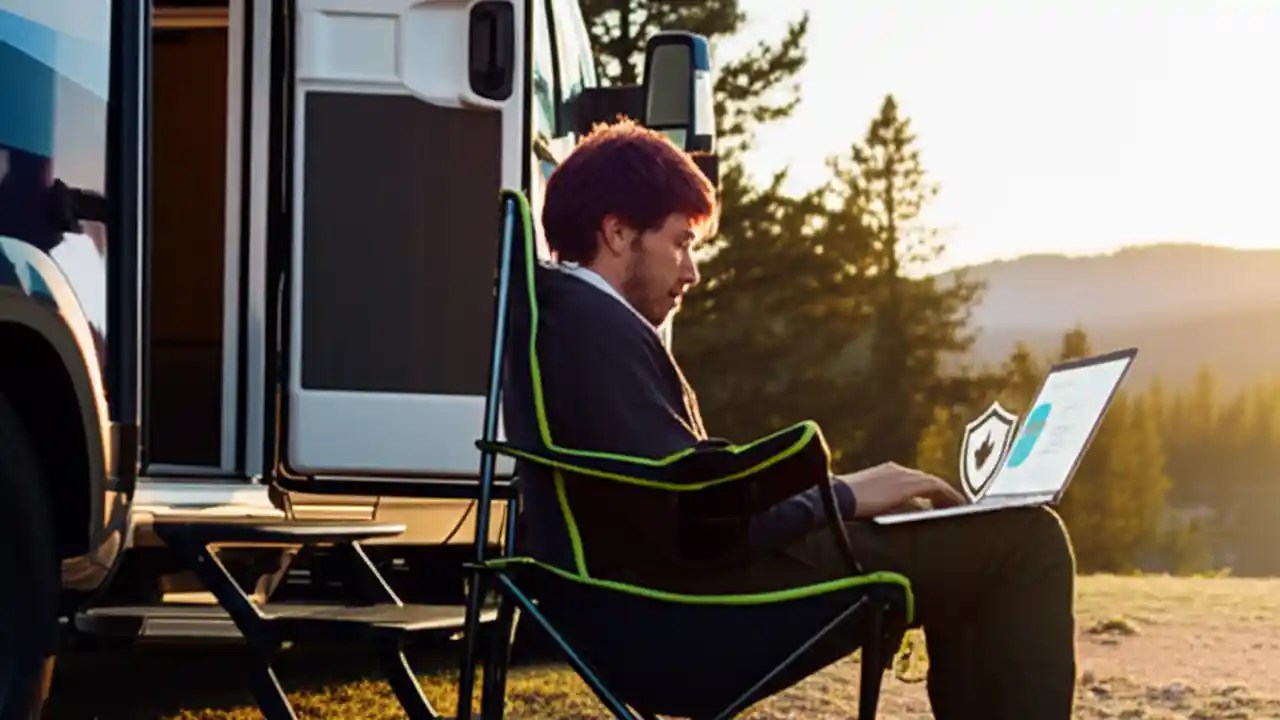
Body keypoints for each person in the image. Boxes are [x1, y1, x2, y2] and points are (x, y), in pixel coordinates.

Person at [518, 119, 1077, 719]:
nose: (691, 272)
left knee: (969, 544)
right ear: (619, 232)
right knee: (1027, 540)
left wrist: (849, 492)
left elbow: (683, 499)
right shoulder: (592, 331)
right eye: (680, 242)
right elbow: (697, 526)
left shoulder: (568, 318)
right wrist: (839, 496)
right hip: (682, 618)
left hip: (659, 603)